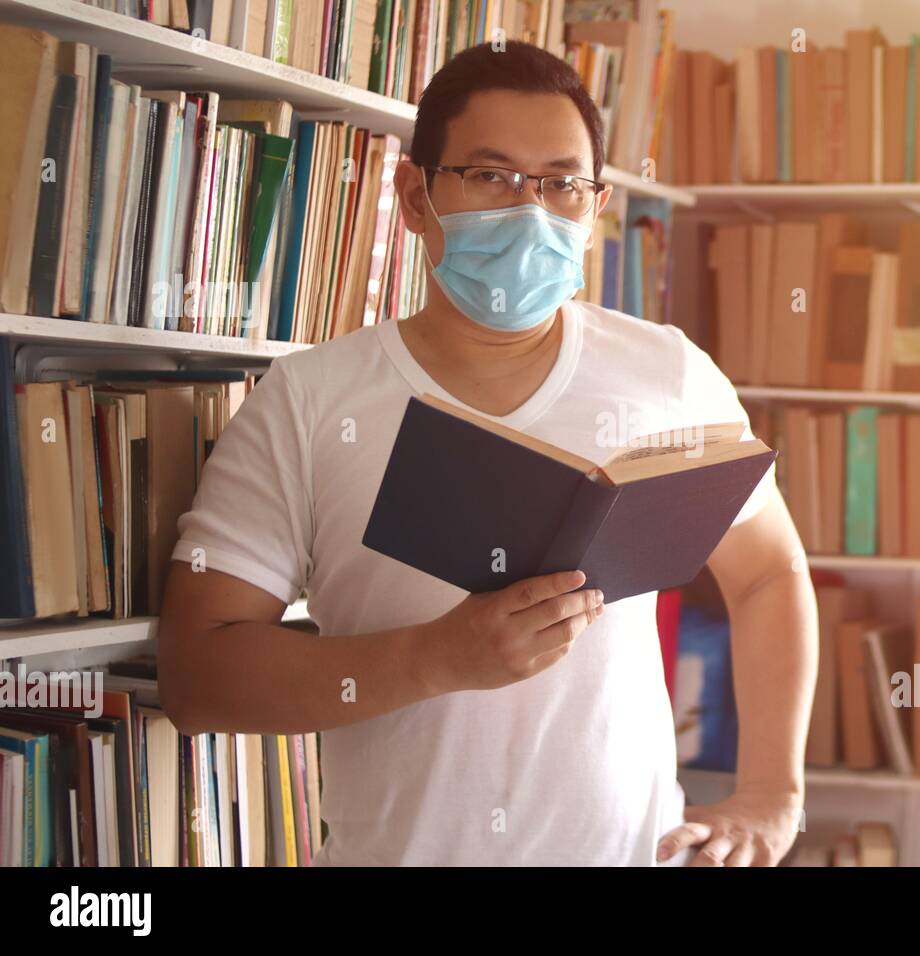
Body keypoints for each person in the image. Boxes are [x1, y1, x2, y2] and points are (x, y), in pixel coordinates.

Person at [158, 41, 818, 866]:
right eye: (491, 175)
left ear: (596, 206)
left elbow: (769, 574)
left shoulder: (669, 375)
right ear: (412, 195)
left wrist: (772, 797)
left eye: (560, 183)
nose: (530, 210)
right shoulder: (309, 401)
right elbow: (195, 676)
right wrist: (433, 659)